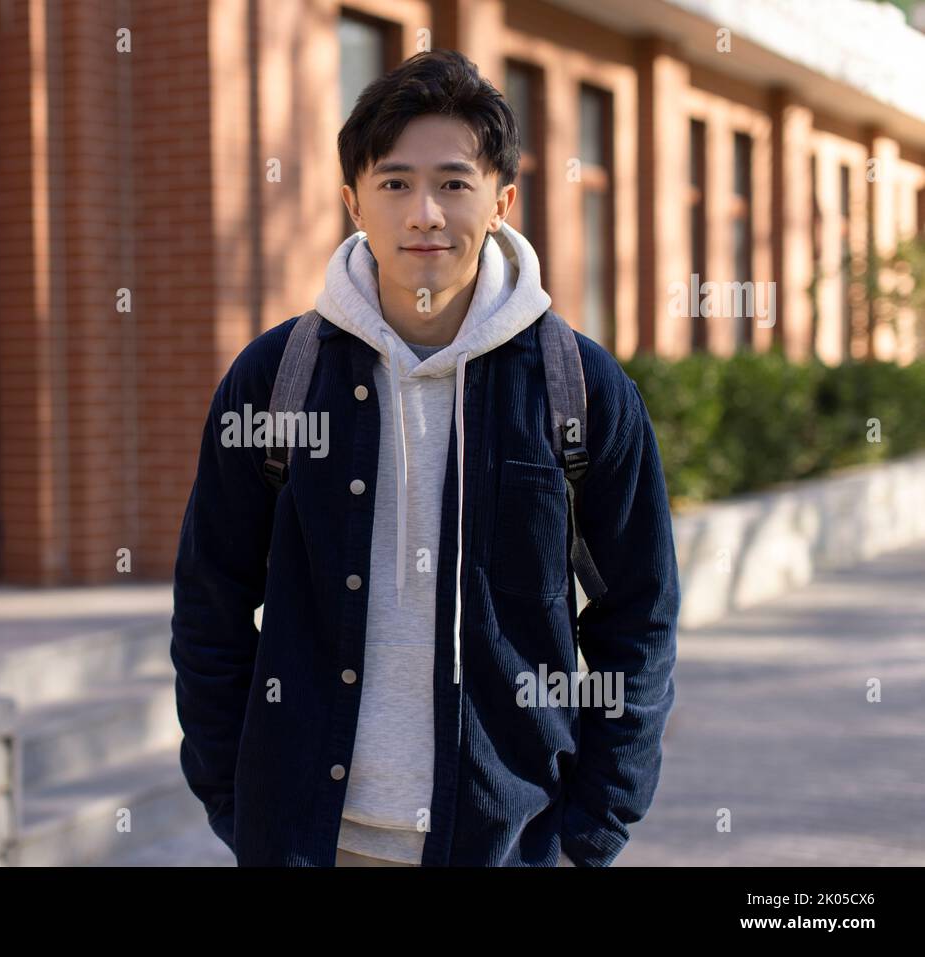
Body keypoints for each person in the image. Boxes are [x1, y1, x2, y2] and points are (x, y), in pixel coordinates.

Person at [170, 48, 679, 867]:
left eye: (453, 182)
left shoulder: (578, 388)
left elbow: (639, 617)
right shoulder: (277, 380)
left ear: (503, 199)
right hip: (311, 840)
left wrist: (593, 827)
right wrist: (235, 797)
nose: (425, 214)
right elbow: (211, 599)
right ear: (352, 202)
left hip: (508, 839)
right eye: (395, 183)